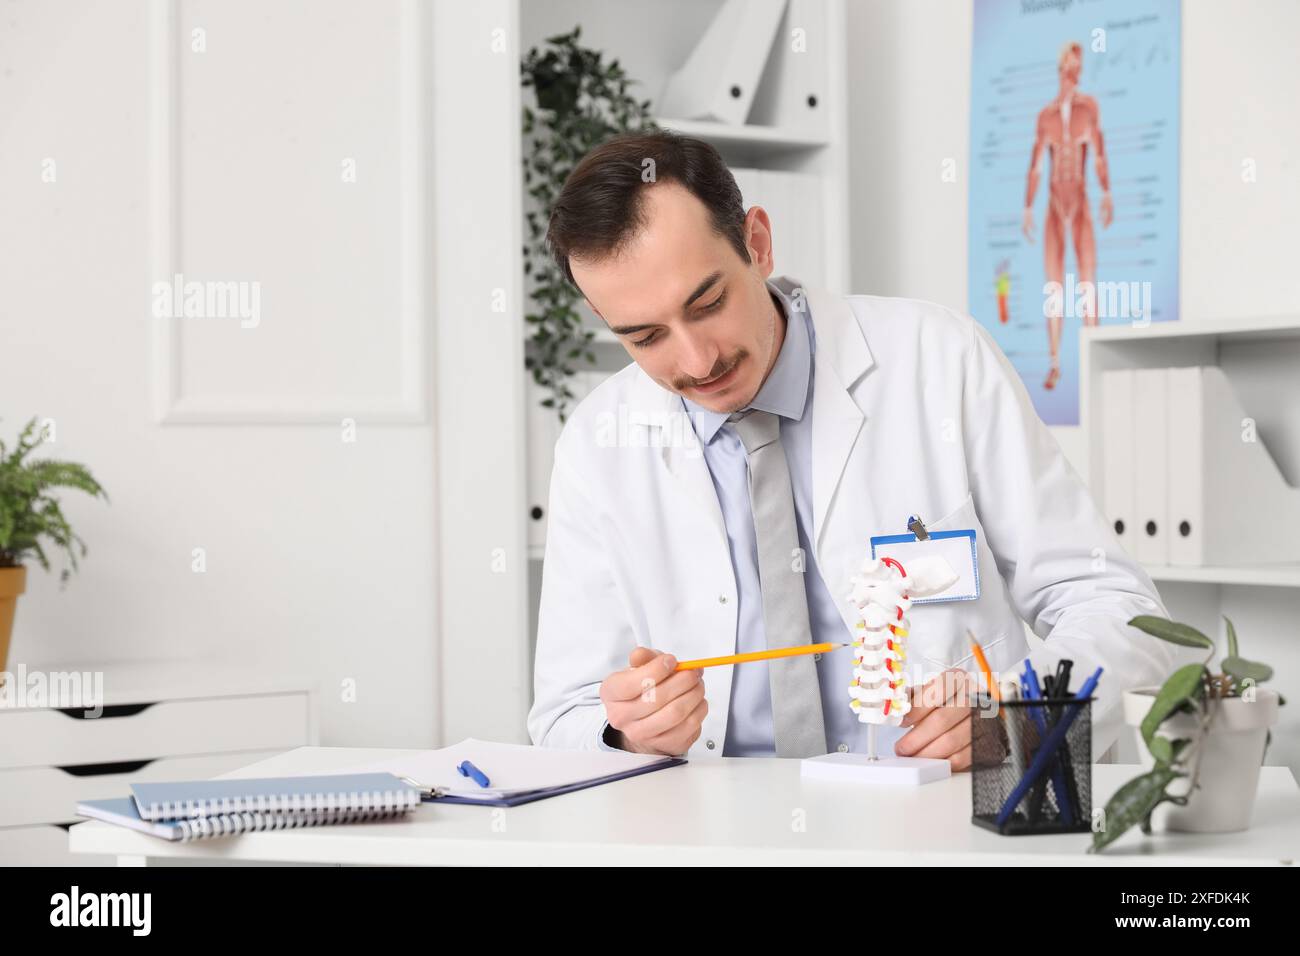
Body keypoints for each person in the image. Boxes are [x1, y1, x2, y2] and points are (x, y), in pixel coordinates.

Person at [527, 129, 1171, 768]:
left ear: (756, 243)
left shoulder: (940, 360)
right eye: (645, 338)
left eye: (709, 302)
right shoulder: (595, 445)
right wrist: (629, 732)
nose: (698, 361)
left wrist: (1019, 715)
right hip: (717, 831)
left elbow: (1117, 609)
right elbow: (564, 716)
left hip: (938, 815)